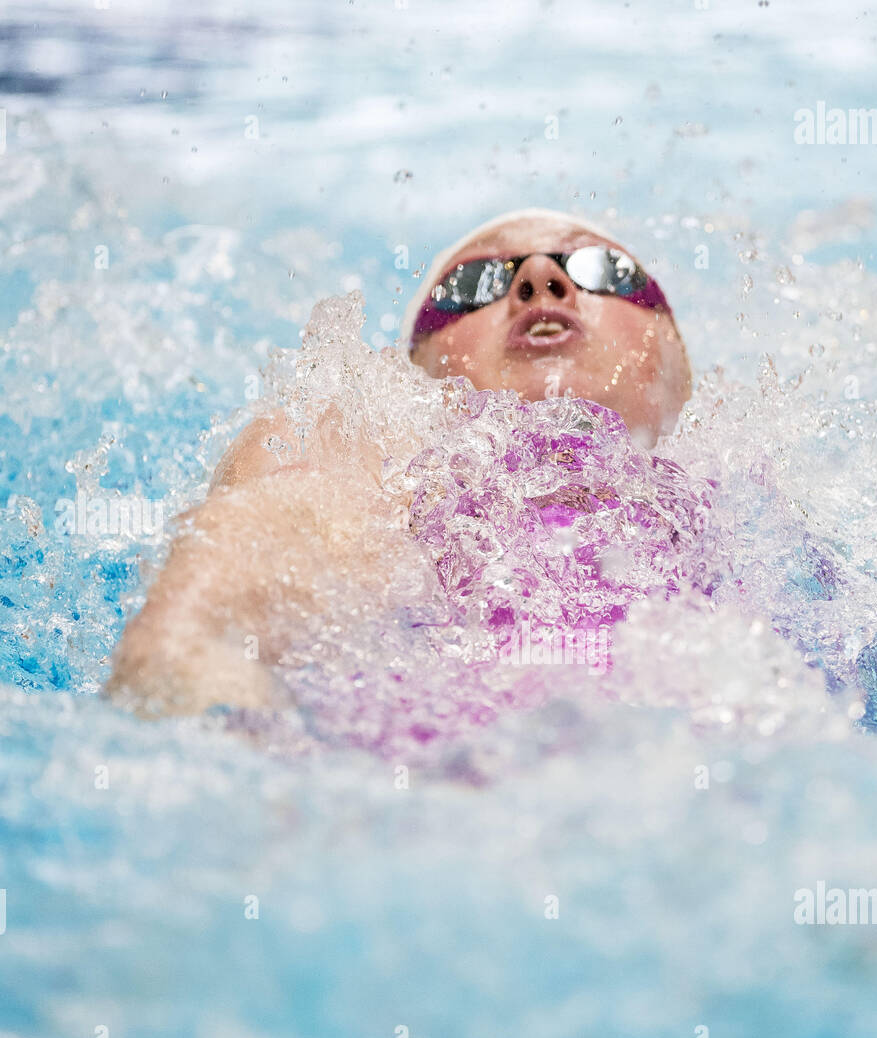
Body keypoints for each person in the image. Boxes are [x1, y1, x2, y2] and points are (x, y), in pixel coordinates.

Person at [106, 208, 695, 718]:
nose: (540, 279)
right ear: (413, 372)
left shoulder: (762, 482)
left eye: (602, 270)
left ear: (682, 367)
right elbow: (218, 611)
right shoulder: (371, 458)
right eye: (475, 282)